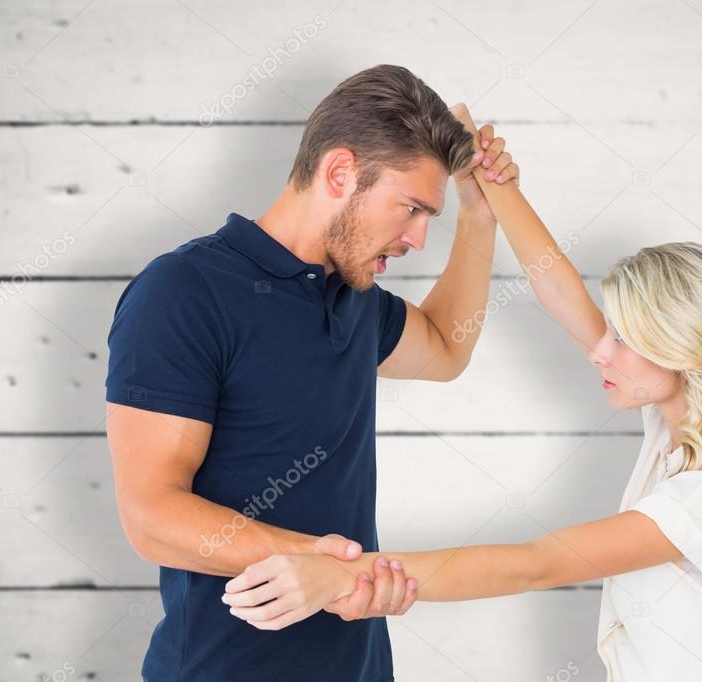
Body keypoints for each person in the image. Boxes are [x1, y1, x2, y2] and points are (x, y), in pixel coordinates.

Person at [223, 110, 702, 682]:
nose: (601, 352)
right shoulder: (678, 428)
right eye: (611, 332)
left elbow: (537, 563)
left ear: (684, 352)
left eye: (627, 341)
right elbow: (558, 289)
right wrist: (490, 186)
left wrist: (342, 576)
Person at [104, 65, 518, 681]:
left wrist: (480, 216)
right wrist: (323, 565)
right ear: (340, 172)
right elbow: (152, 517)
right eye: (410, 208)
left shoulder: (353, 294)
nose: (418, 239)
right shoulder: (184, 292)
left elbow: (443, 348)